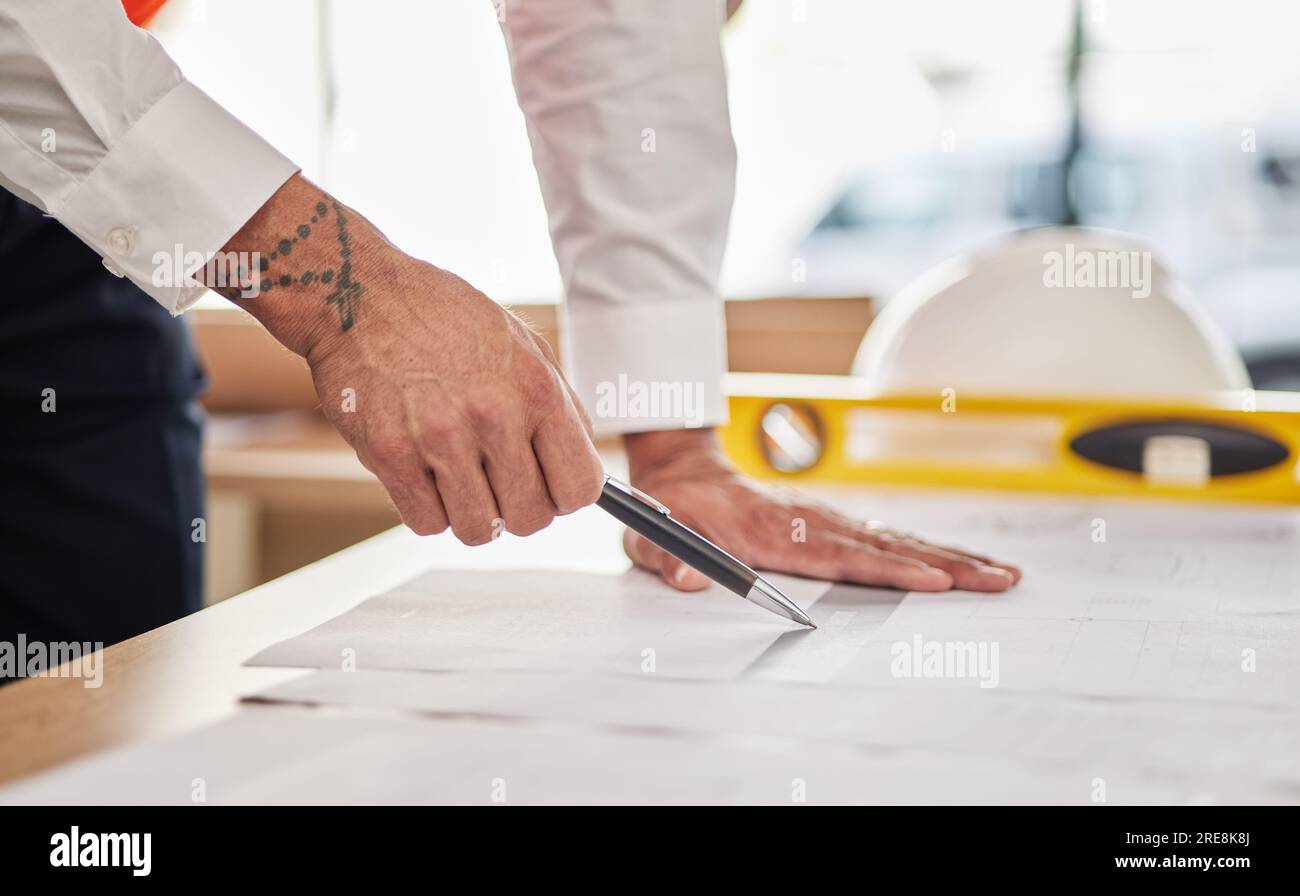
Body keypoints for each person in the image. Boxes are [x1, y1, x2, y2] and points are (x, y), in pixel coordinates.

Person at [0, 0, 1019, 651]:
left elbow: (610, 23)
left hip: (69, 212)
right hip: (62, 120)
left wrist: (675, 445)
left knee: (93, 750)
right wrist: (346, 292)